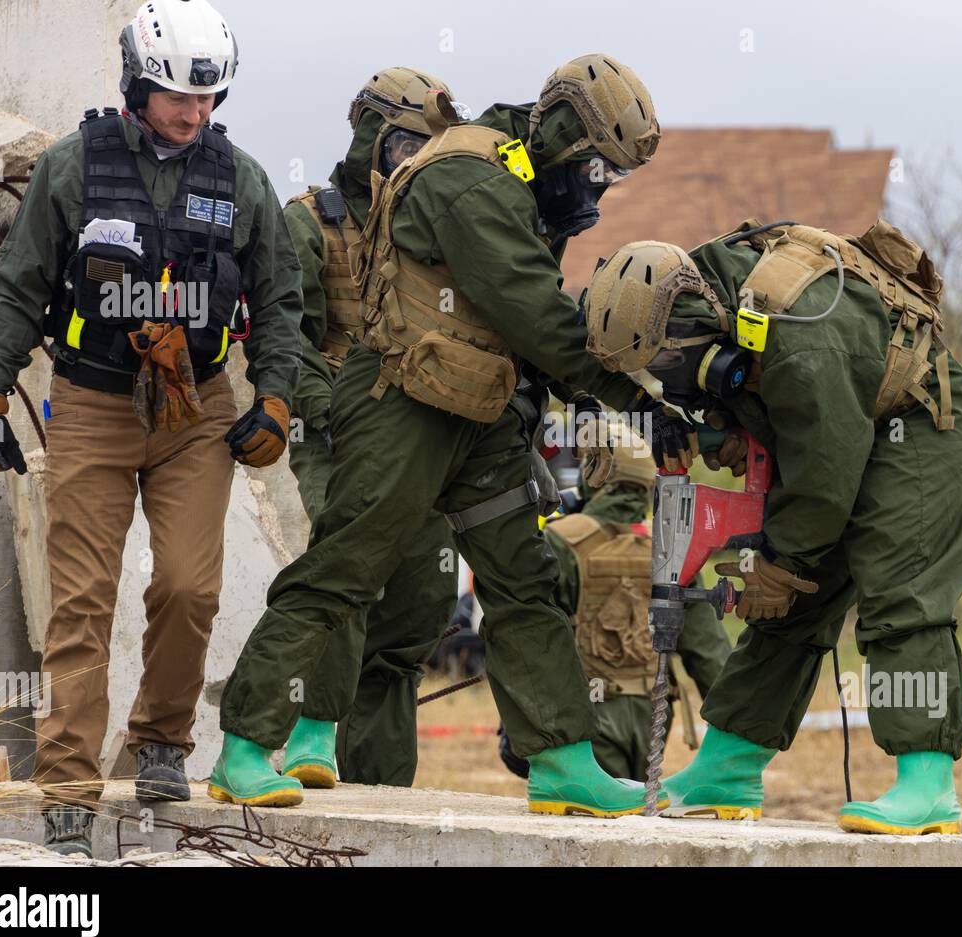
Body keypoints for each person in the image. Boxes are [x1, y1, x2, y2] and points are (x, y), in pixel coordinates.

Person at [212, 55, 695, 817]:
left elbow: (526, 325)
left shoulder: (523, 178)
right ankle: (245, 745)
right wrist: (636, 402)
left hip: (481, 411)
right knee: (343, 568)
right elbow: (536, 314)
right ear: (567, 133)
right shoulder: (471, 179)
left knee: (524, 576)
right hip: (404, 402)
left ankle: (565, 759)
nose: (599, 187)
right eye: (598, 167)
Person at [0, 0, 301, 855]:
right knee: (81, 600)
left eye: (210, 99)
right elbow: (17, 282)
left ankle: (160, 741)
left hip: (197, 410)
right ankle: (69, 789)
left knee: (189, 587)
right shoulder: (74, 168)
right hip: (91, 402)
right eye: (177, 97)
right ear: (135, 85)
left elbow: (282, 300)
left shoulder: (244, 181)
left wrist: (275, 397)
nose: (195, 114)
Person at [583, 219, 962, 832]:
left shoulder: (800, 338)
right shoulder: (711, 291)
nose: (666, 376)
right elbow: (794, 416)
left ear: (694, 321)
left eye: (666, 359)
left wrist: (782, 562)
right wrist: (735, 425)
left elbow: (822, 475)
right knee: (788, 608)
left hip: (917, 422)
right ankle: (726, 769)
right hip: (845, 415)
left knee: (904, 593)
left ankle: (928, 785)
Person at [279, 67, 460, 788]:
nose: (413, 160)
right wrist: (335, 410)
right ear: (368, 133)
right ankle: (309, 737)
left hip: (419, 434)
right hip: (334, 435)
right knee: (347, 577)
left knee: (419, 600)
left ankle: (381, 786)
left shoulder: (432, 229)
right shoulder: (308, 222)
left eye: (429, 148)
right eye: (405, 143)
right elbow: (285, 335)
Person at [499, 423, 732, 780]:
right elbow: (708, 653)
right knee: (635, 822)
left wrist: (516, 723)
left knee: (584, 820)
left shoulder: (560, 542)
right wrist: (734, 739)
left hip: (584, 715)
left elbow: (530, 642)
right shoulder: (673, 551)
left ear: (593, 474)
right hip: (652, 716)